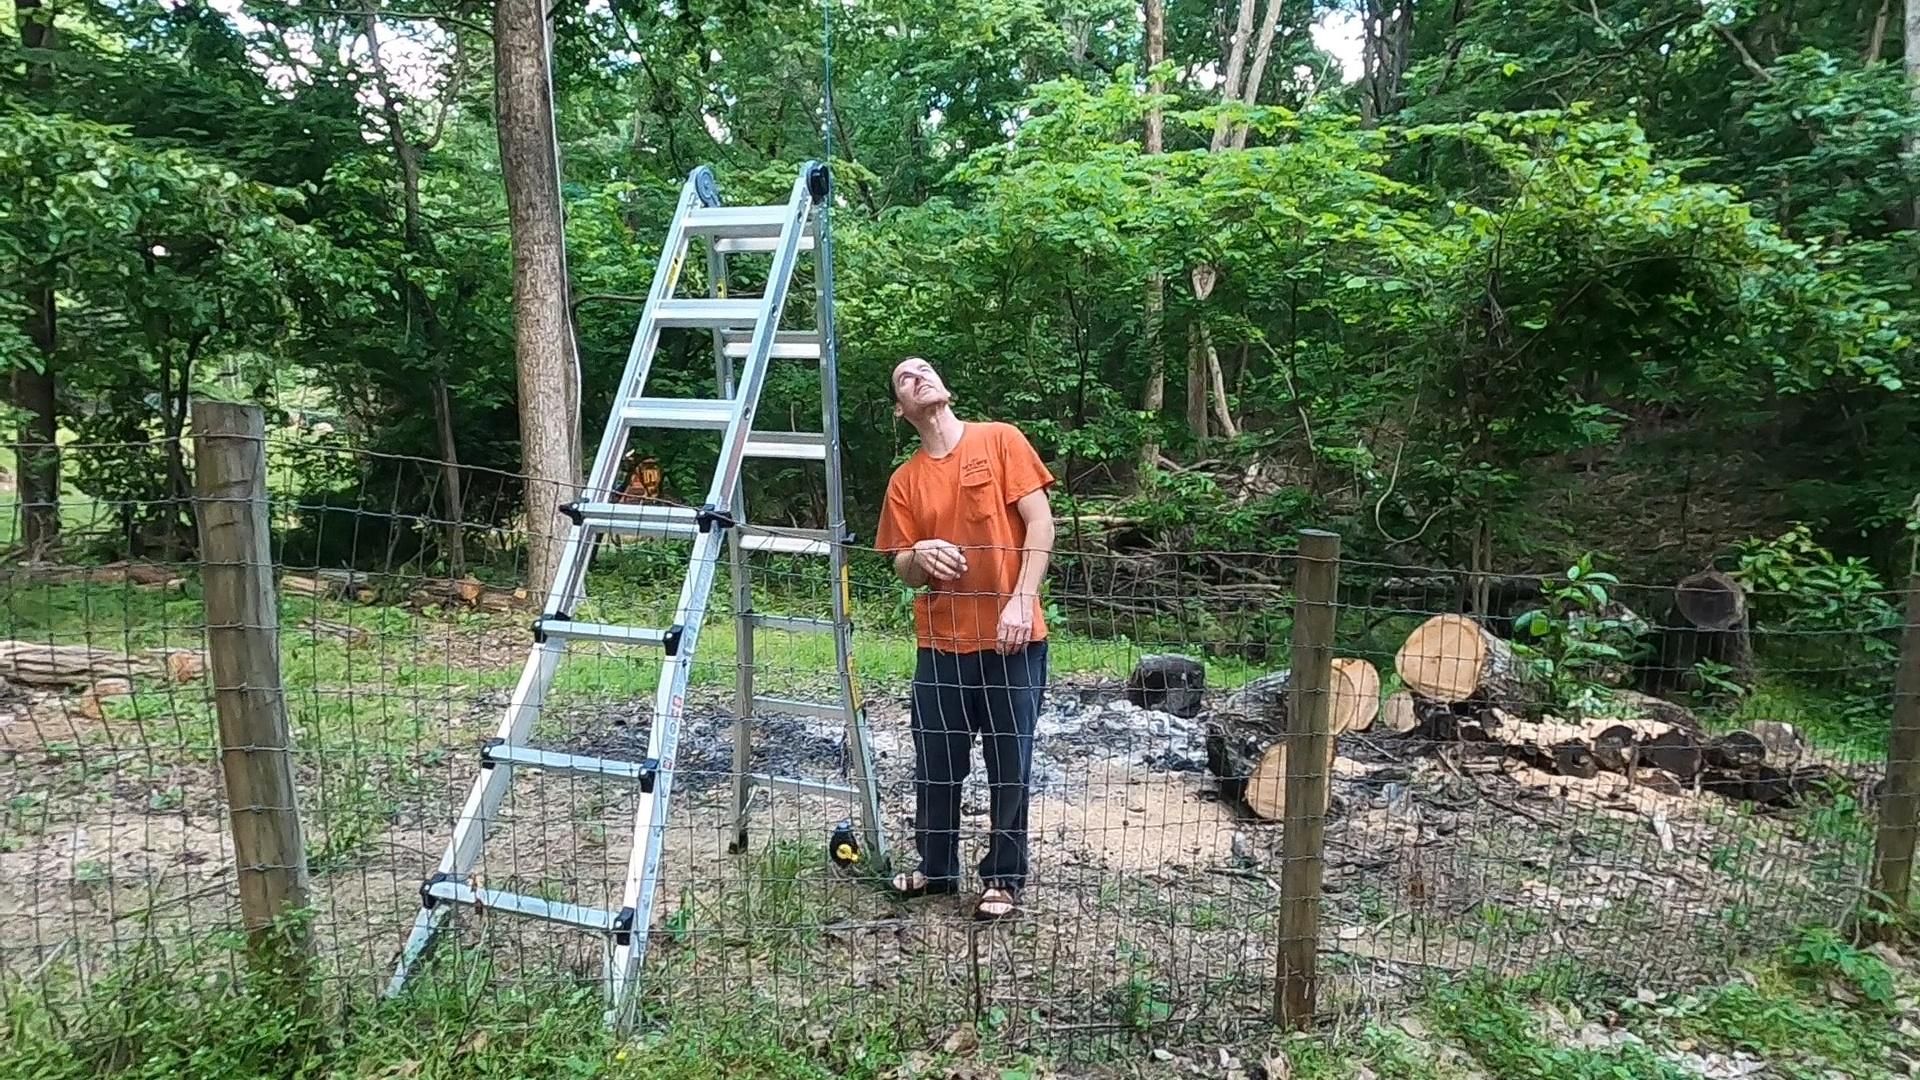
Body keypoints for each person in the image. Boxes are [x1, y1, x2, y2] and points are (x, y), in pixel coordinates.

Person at [874, 356, 1056, 922]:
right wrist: (918, 555)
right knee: (936, 761)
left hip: (1014, 640)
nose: (919, 377)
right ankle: (935, 868)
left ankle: (1003, 877)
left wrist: (1022, 598)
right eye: (906, 379)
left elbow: (1041, 522)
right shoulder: (905, 480)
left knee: (1010, 760)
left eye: (925, 369)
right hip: (941, 644)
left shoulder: (999, 440)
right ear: (902, 411)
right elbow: (902, 566)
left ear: (945, 386)